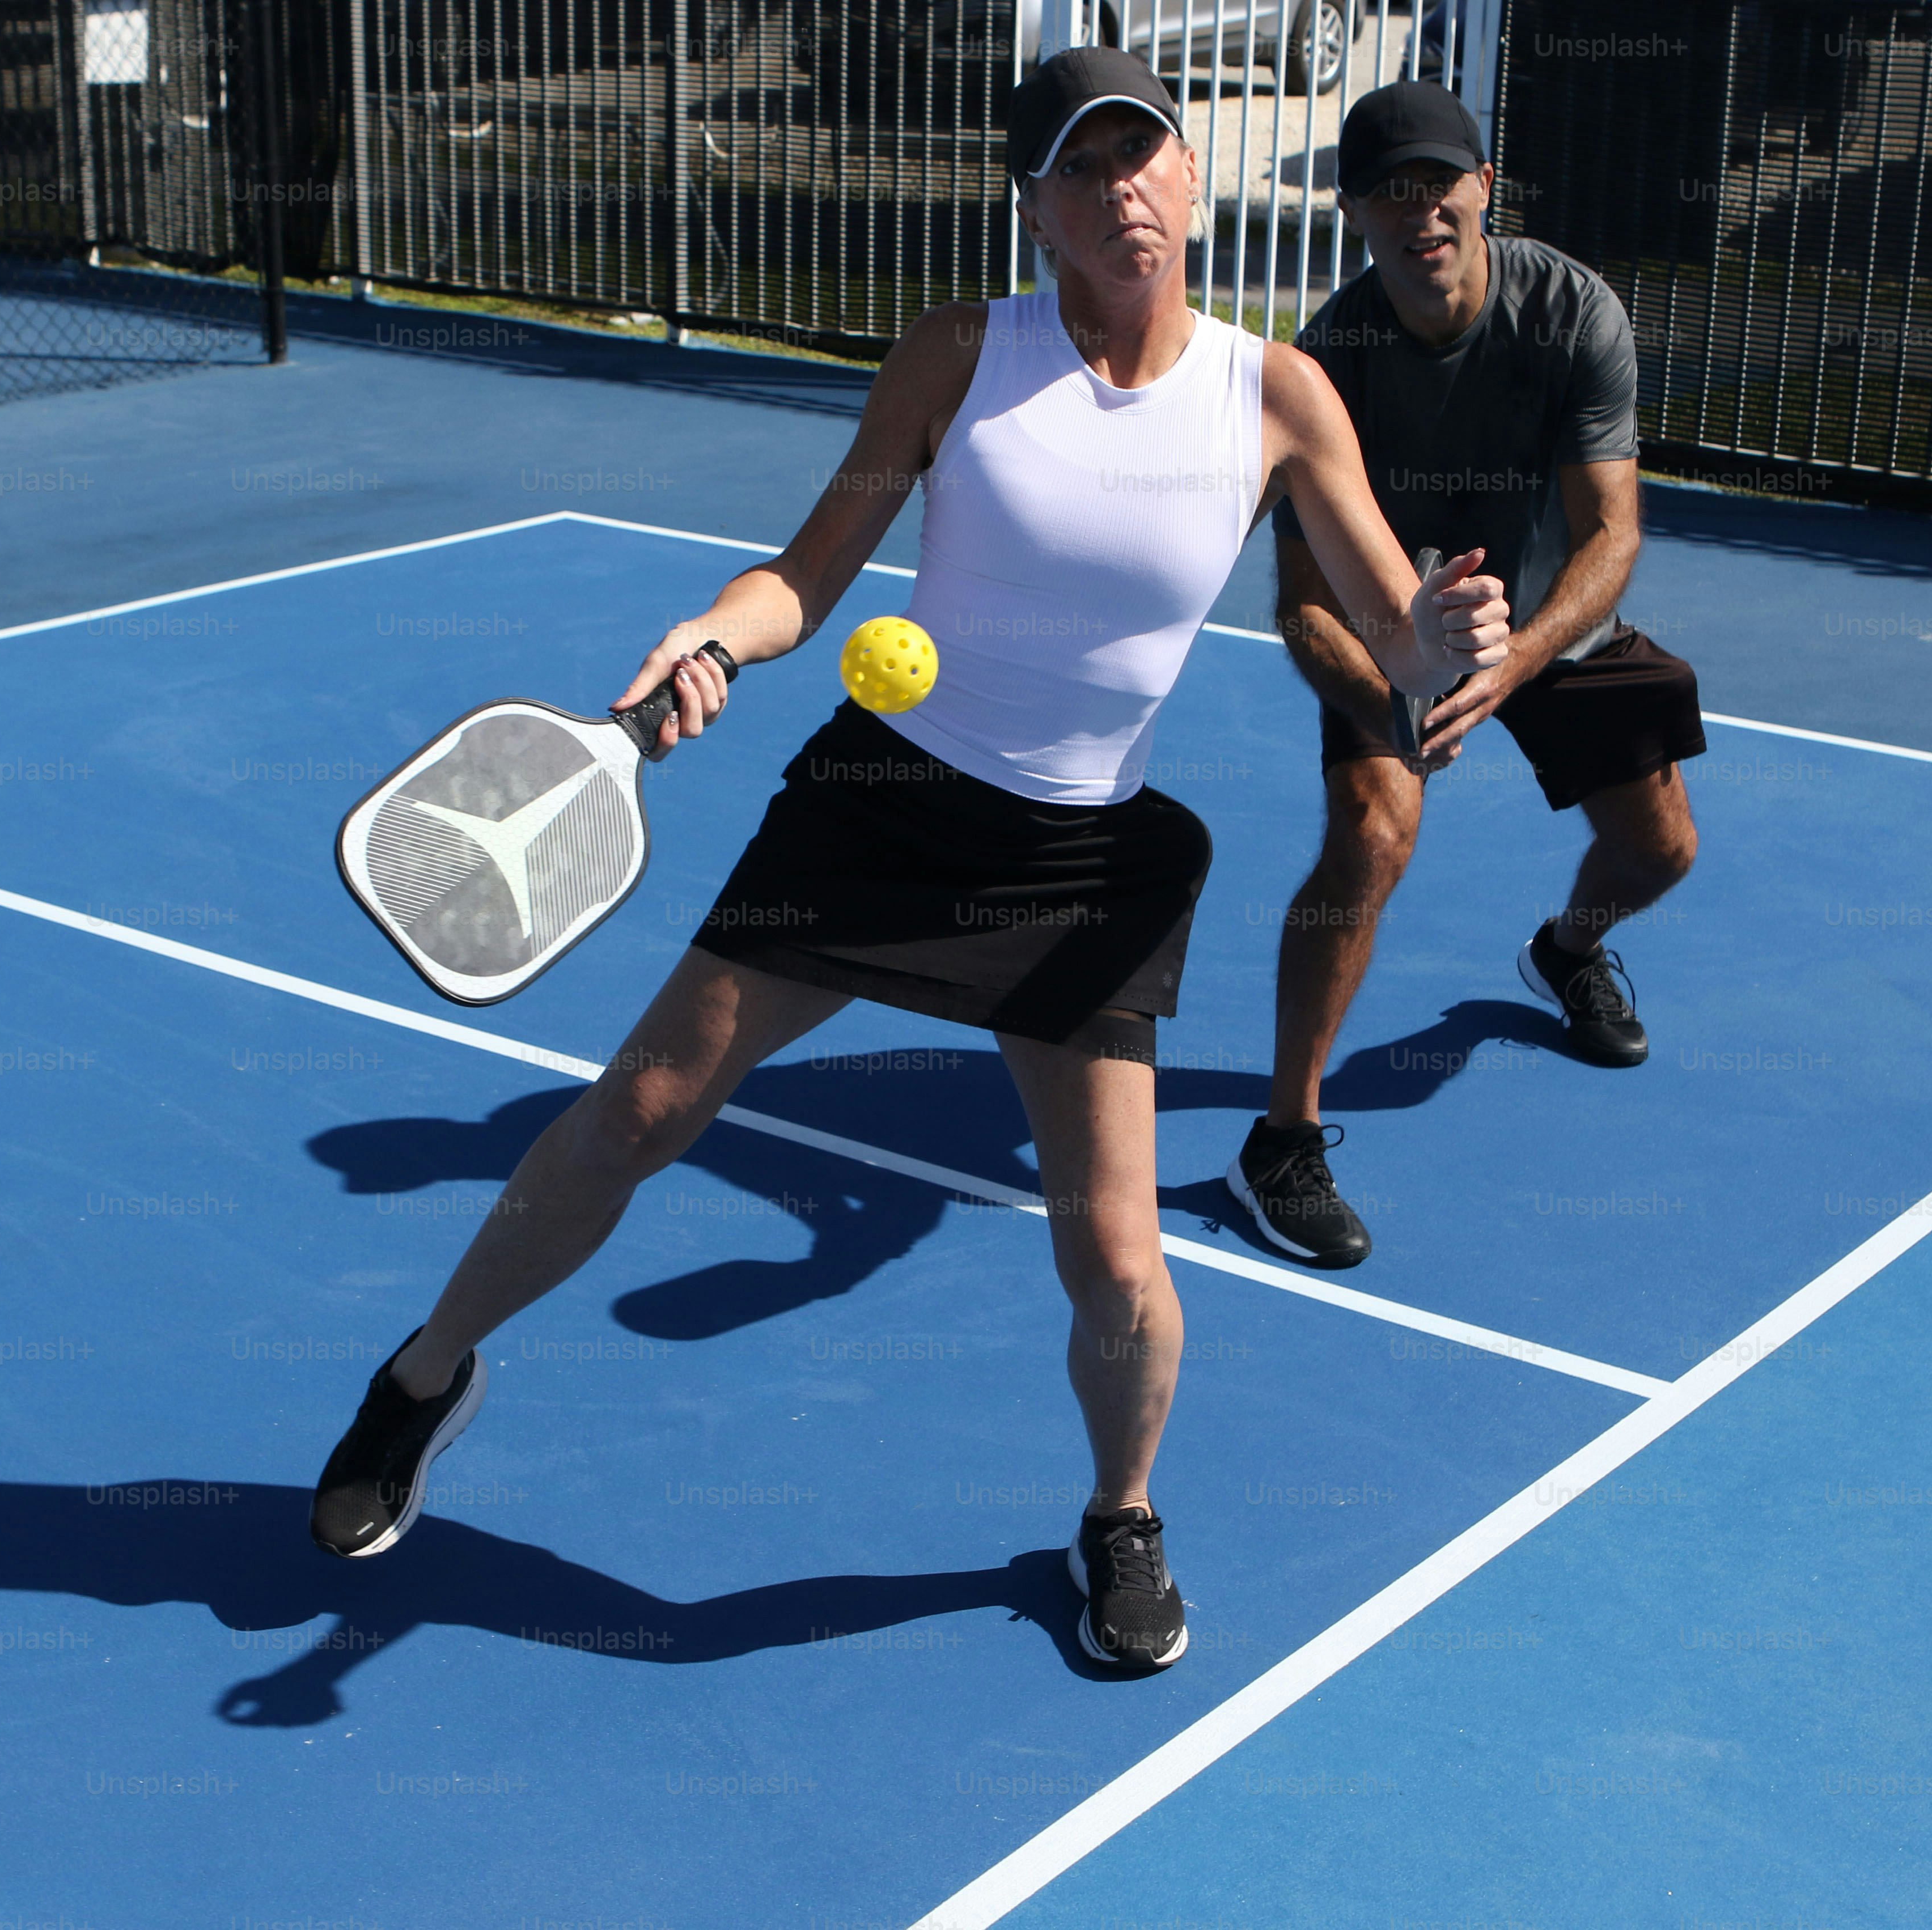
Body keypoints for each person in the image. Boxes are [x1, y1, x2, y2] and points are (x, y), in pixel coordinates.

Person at [310, 48, 1510, 1674]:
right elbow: (807, 573)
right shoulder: (961, 355)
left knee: (1110, 1250)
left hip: (1082, 859)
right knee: (644, 1104)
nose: (1122, 193)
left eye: (1145, 157)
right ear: (1035, 208)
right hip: (888, 802)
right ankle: (429, 1369)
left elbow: (1392, 619)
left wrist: (1439, 638)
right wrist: (714, 638)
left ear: (1195, 180)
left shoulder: (1276, 393)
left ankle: (1118, 1513)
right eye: (1082, 171)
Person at [1230, 80, 1705, 1270]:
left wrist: (1511, 663)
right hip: (1389, 628)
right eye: (1390, 190)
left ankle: (1565, 951)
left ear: (1484, 188)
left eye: (1439, 182)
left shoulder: (1572, 314)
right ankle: (1281, 1141)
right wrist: (1389, 688)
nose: (1419, 209)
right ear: (1354, 213)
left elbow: (1614, 535)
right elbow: (1300, 605)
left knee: (1662, 851)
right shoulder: (1322, 364)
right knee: (1369, 836)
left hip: (1546, 620)